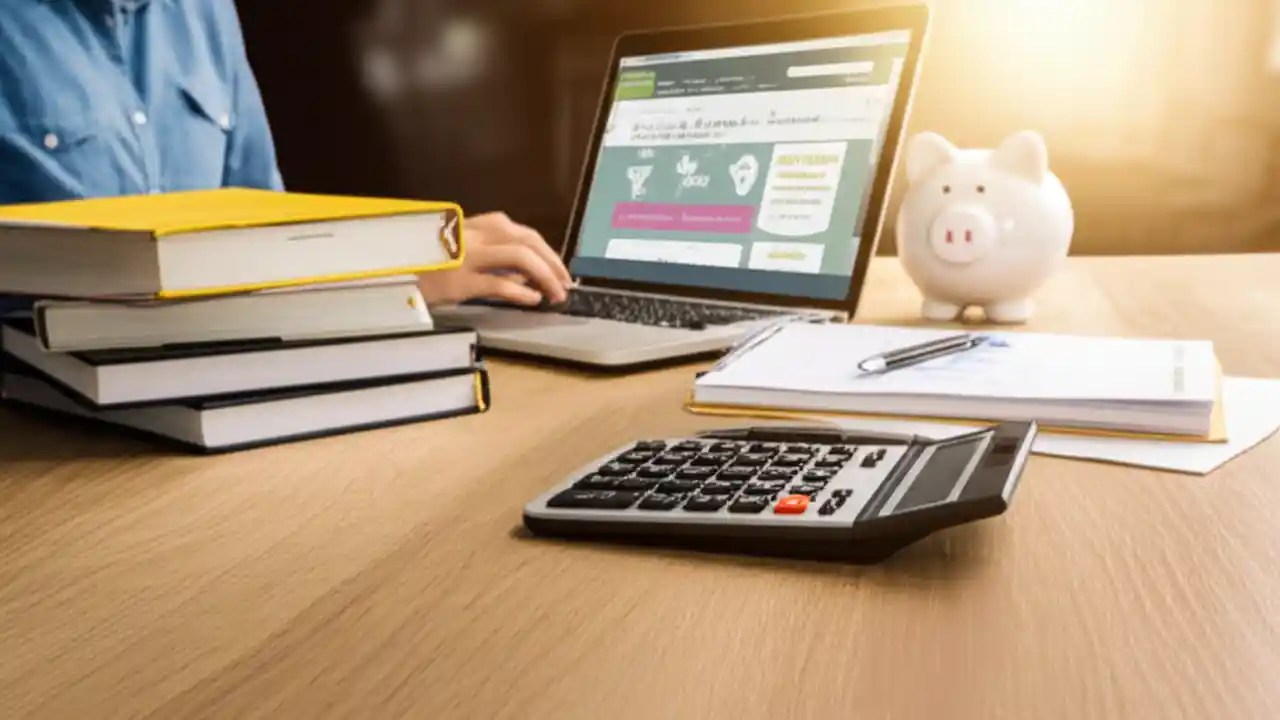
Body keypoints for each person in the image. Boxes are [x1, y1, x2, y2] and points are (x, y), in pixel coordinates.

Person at [0, 0, 571, 307]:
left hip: (219, 408)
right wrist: (384, 278)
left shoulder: (204, 11)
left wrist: (397, 267)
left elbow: (267, 240)